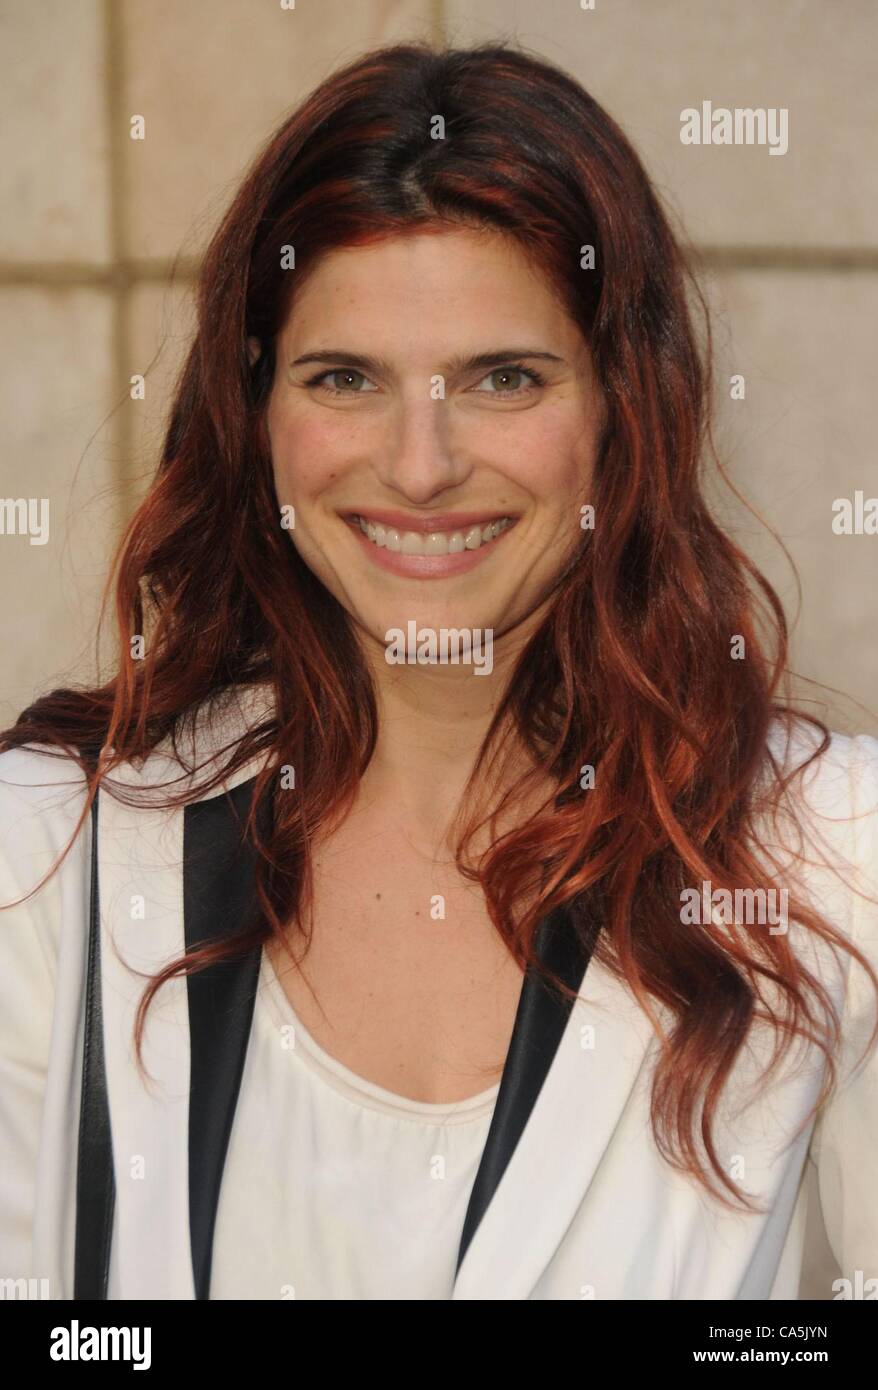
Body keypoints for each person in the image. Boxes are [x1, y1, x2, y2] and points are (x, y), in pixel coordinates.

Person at [0, 40, 876, 1302]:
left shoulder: (818, 863)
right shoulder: (56, 851)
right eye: (343, 377)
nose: (419, 467)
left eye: (502, 378)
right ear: (255, 420)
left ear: (623, 412)